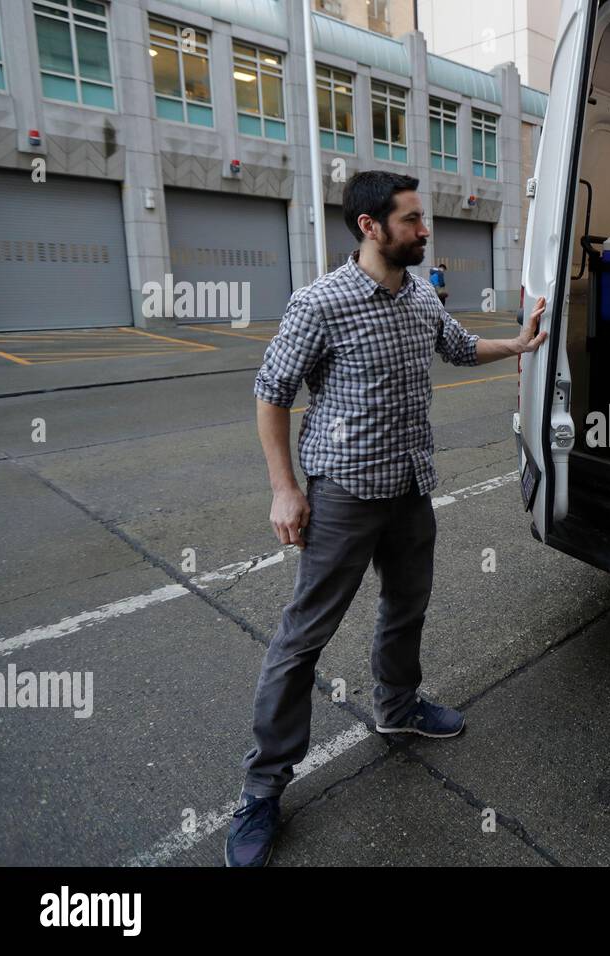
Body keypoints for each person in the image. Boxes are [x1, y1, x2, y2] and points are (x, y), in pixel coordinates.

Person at [226, 171, 547, 867]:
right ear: (370, 227)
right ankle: (262, 788)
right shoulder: (321, 303)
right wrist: (285, 490)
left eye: (421, 218)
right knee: (303, 637)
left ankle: (397, 706)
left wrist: (518, 347)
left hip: (408, 486)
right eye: (410, 220)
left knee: (406, 608)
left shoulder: (419, 297)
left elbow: (458, 347)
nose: (424, 230)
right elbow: (270, 392)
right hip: (342, 493)